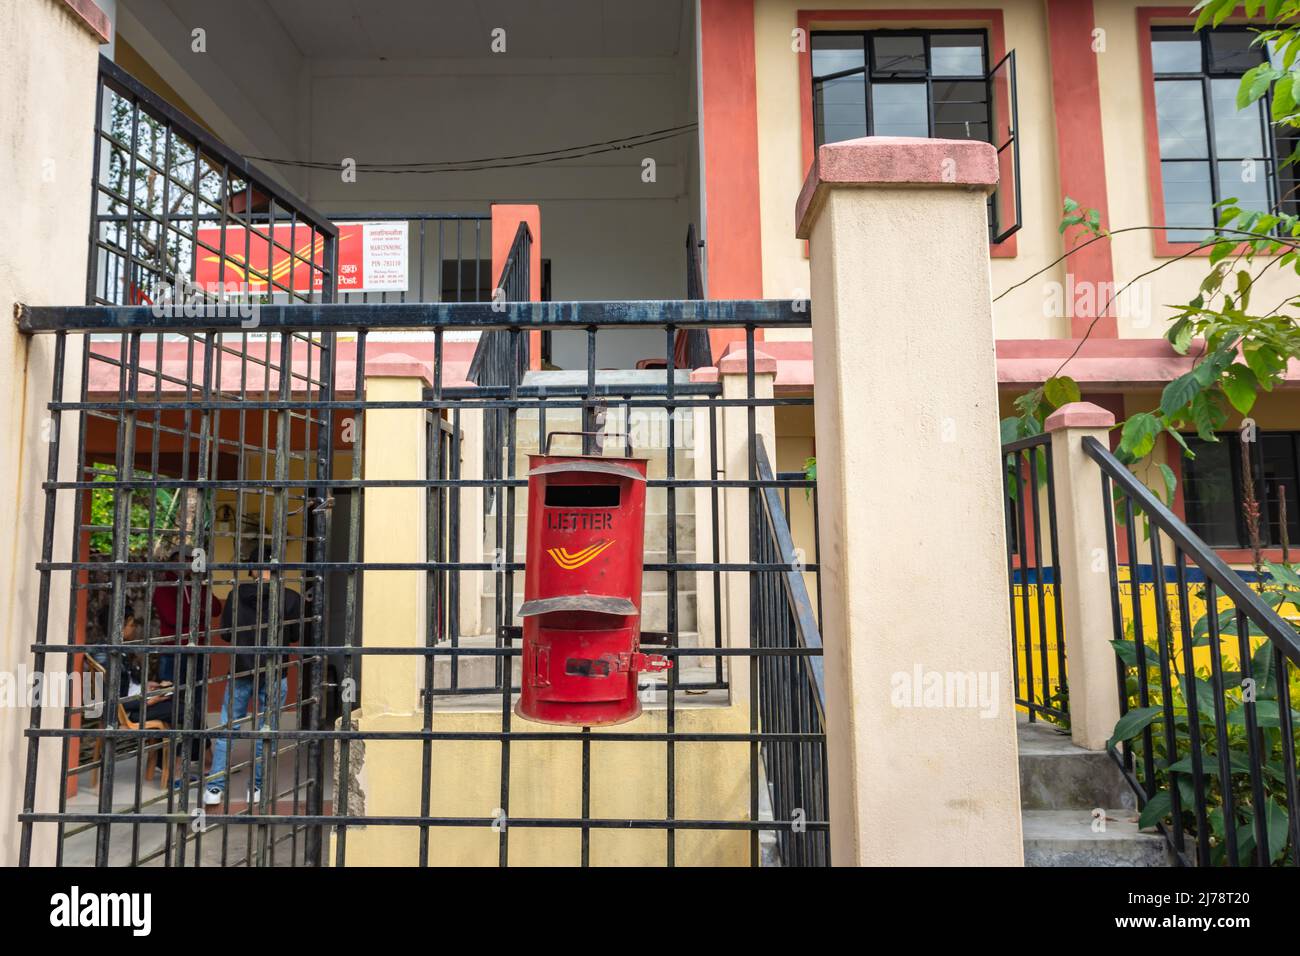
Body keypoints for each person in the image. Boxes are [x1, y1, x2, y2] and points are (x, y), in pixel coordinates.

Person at [205, 543, 303, 806]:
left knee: (228, 727)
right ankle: (256, 789)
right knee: (265, 730)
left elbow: (225, 633)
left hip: (240, 669)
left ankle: (214, 789)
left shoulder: (236, 595)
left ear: (250, 568)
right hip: (274, 670)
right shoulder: (291, 598)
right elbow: (294, 636)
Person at [151, 547, 221, 789]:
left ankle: (197, 757)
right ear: (173, 563)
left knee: (196, 704)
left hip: (198, 651)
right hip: (174, 652)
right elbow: (174, 617)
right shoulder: (164, 588)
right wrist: (198, 613)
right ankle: (169, 764)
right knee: (173, 706)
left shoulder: (196, 586)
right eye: (185, 561)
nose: (190, 565)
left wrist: (199, 598)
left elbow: (216, 609)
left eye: (192, 561)